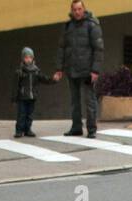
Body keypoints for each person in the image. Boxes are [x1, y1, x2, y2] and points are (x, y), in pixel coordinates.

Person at [52, 1, 104, 138]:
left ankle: (91, 129)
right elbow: (62, 48)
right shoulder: (68, 26)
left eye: (79, 9)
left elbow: (98, 49)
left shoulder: (92, 25)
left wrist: (95, 70)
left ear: (84, 9)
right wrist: (59, 68)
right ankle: (76, 128)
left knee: (90, 101)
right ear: (71, 10)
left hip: (87, 71)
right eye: (75, 9)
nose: (77, 12)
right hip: (71, 69)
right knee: (74, 102)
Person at [12, 47, 54, 138]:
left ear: (33, 58)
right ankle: (19, 131)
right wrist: (14, 98)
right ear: (23, 58)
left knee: (30, 114)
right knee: (21, 114)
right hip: (22, 97)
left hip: (32, 97)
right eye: (26, 57)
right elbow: (15, 86)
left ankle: (28, 130)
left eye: (30, 57)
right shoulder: (19, 71)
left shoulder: (36, 71)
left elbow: (44, 79)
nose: (28, 60)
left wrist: (53, 79)